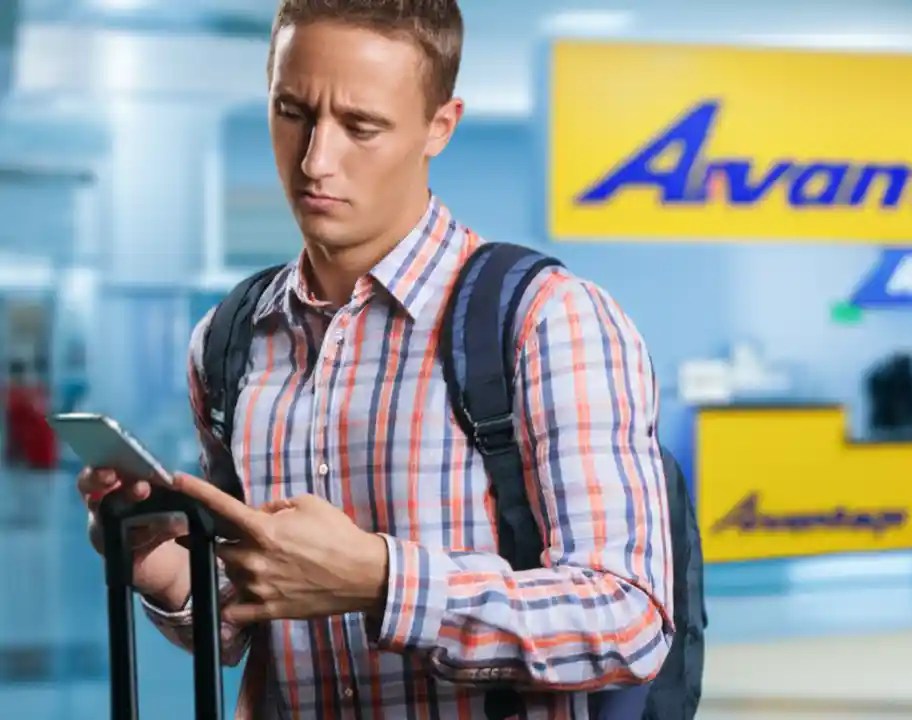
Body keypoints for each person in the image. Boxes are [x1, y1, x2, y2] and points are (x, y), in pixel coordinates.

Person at [76, 1, 674, 717]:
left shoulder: (547, 321)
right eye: (292, 111)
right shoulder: (229, 340)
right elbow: (246, 617)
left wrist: (385, 583)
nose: (314, 161)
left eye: (361, 126)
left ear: (439, 127)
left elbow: (629, 620)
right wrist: (159, 567)